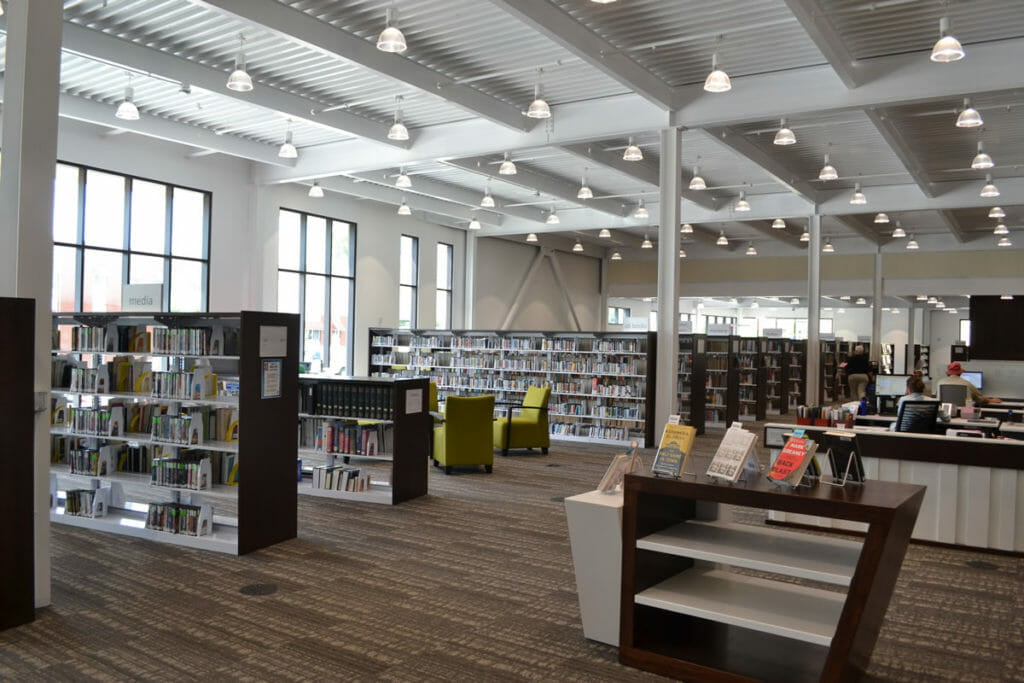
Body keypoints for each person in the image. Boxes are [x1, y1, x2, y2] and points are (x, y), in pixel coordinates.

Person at [933, 361, 1002, 405]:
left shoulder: (940, 382)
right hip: (964, 413)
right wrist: (991, 400)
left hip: (945, 413)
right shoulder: (967, 384)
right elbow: (980, 399)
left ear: (948, 373)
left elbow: (937, 397)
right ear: (960, 373)